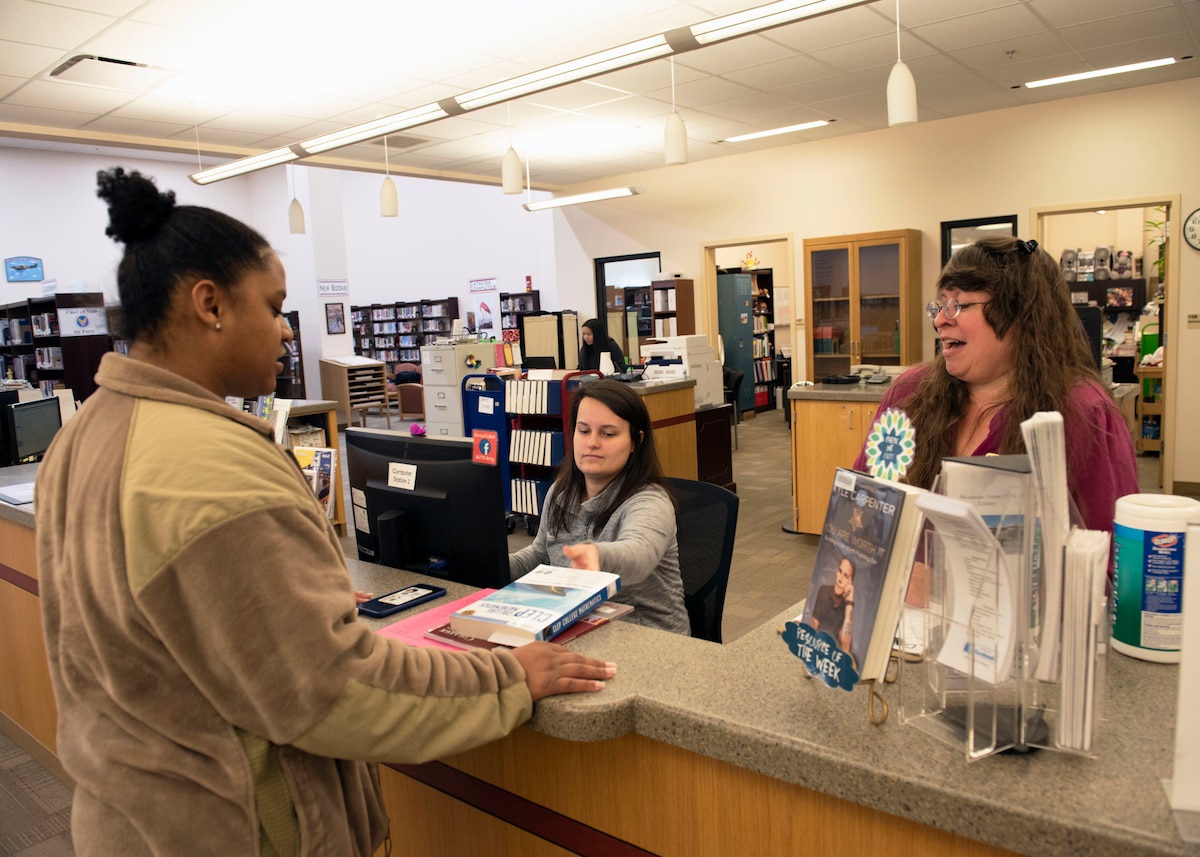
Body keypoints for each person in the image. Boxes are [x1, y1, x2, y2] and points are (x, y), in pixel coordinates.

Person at [36, 168, 616, 856]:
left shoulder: (84, 434)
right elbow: (333, 691)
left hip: (134, 817)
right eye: (274, 305)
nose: (286, 331)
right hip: (235, 825)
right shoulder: (208, 466)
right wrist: (509, 677)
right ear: (210, 304)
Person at [853, 235, 1138, 535]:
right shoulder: (909, 396)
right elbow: (863, 505)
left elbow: (1111, 558)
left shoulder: (1083, 413)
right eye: (940, 306)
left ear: (1022, 313)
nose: (940, 321)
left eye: (959, 304)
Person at [510, 379, 690, 634]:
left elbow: (639, 555)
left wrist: (598, 556)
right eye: (584, 431)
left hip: (648, 639)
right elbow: (541, 557)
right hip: (579, 628)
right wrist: (488, 564)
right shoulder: (560, 493)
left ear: (636, 442)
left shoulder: (650, 501)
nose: (592, 443)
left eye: (608, 433)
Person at [810, 555, 855, 654]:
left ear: (850, 583)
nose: (840, 579)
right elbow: (813, 627)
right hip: (817, 650)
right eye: (840, 571)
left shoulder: (848, 608)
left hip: (833, 656)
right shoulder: (824, 591)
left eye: (846, 576)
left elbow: (846, 646)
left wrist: (850, 602)